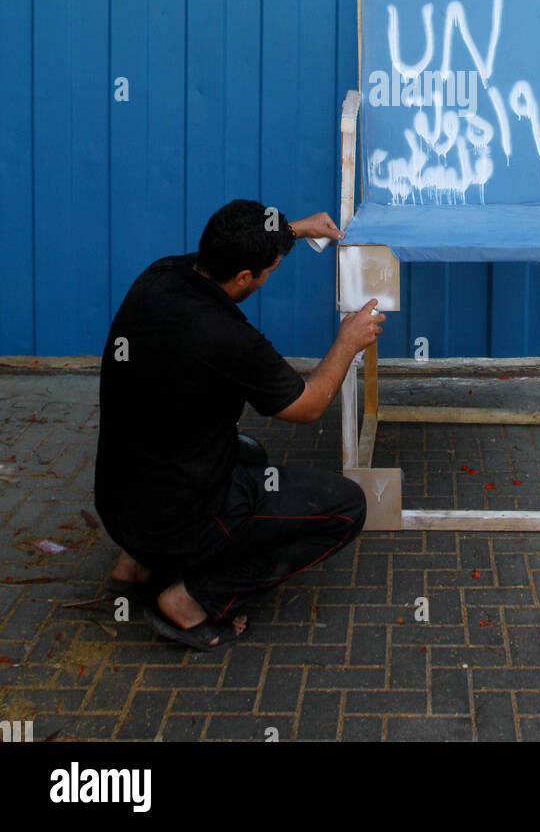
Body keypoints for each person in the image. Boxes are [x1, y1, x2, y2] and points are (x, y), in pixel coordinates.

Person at [94, 198, 384, 651]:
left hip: (118, 502)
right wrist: (347, 343)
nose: (269, 276)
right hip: (174, 520)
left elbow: (237, 239)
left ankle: (133, 566)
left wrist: (292, 231)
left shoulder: (162, 275)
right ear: (245, 277)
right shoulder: (227, 337)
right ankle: (189, 602)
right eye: (268, 270)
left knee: (250, 453)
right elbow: (307, 407)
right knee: (345, 508)